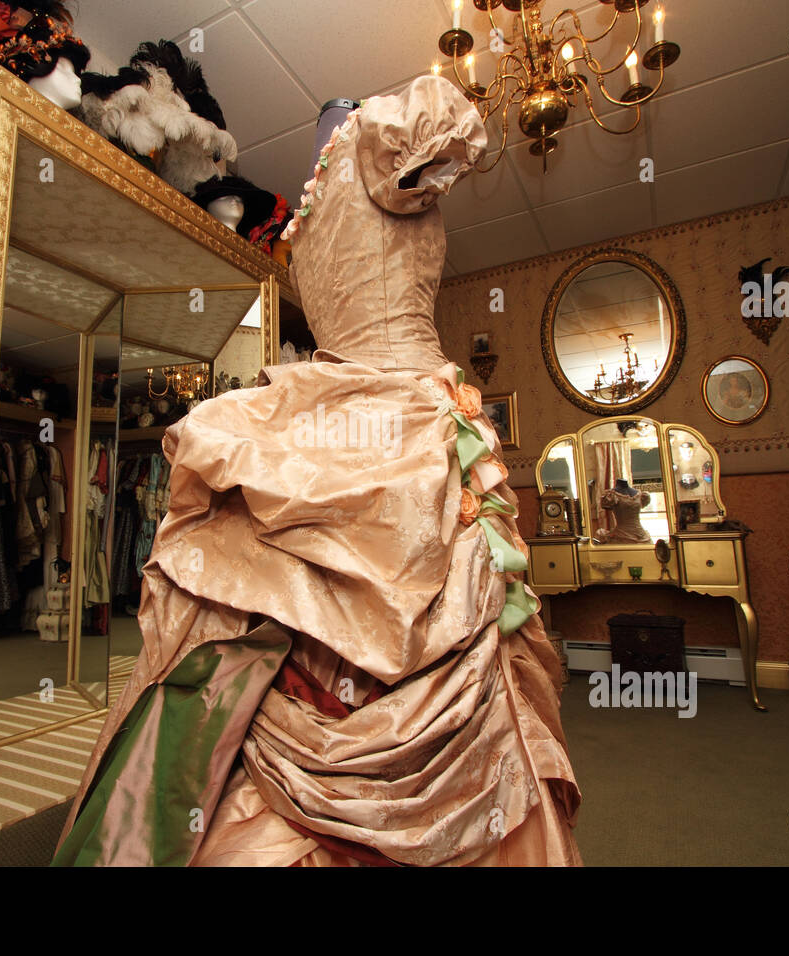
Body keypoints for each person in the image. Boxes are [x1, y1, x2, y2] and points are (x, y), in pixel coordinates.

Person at [53, 75, 582, 867]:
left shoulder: (379, 134)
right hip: (337, 408)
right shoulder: (329, 175)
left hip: (402, 414)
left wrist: (383, 121)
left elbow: (451, 124)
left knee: (433, 634)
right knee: (269, 619)